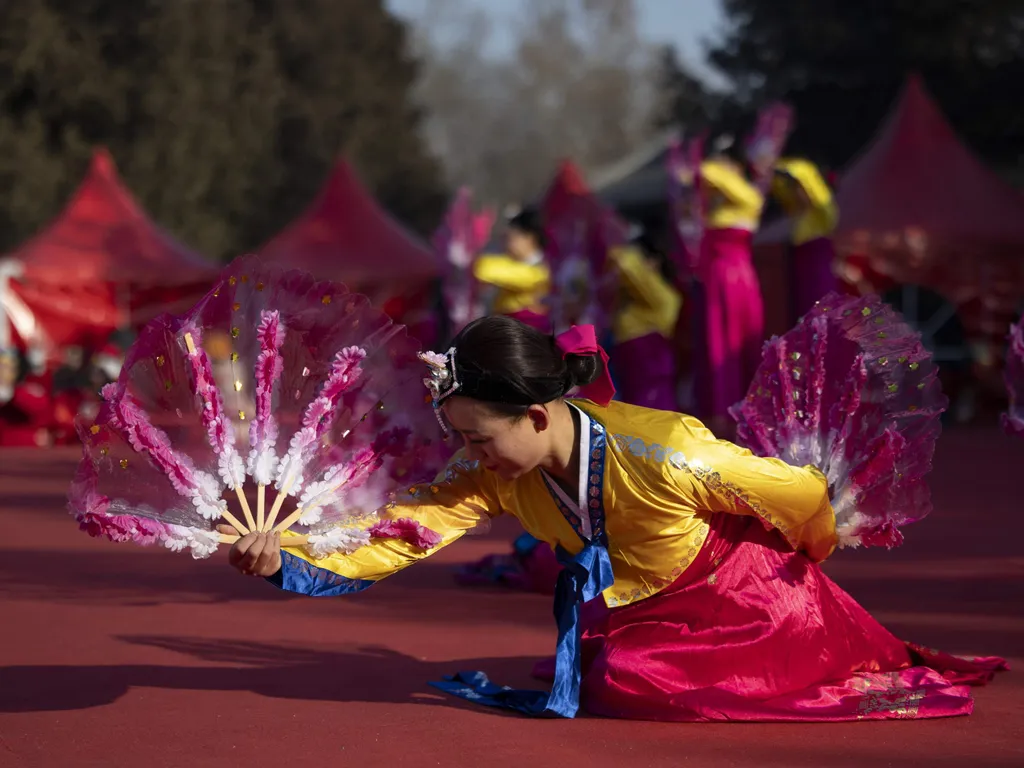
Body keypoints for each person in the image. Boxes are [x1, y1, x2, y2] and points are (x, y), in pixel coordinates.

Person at [223, 315, 1004, 722]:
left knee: (624, 678)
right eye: (459, 437)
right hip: (651, 605)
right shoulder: (489, 476)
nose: (468, 454)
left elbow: (799, 493)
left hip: (752, 602)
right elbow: (402, 531)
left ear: (534, 416)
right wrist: (285, 552)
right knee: (610, 672)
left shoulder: (665, 450)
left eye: (477, 436)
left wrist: (811, 557)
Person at [693, 137, 766, 436]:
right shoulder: (713, 208)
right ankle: (719, 415)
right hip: (715, 282)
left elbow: (703, 172)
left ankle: (749, 414)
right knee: (716, 344)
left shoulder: (747, 198)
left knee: (739, 344)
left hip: (736, 281)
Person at [609, 229, 682, 410]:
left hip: (651, 380)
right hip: (634, 381)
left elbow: (625, 263)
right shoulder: (629, 299)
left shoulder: (664, 297)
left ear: (653, 262)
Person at [771, 158, 840, 322]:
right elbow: (778, 187)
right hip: (800, 277)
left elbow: (819, 195)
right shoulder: (796, 213)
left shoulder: (823, 214)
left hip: (818, 277)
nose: (797, 193)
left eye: (801, 188)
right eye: (795, 189)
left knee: (820, 319)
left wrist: (801, 172)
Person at [472, 208, 551, 332]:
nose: (507, 243)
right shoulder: (512, 263)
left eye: (512, 237)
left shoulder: (542, 269)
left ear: (529, 238)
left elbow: (482, 268)